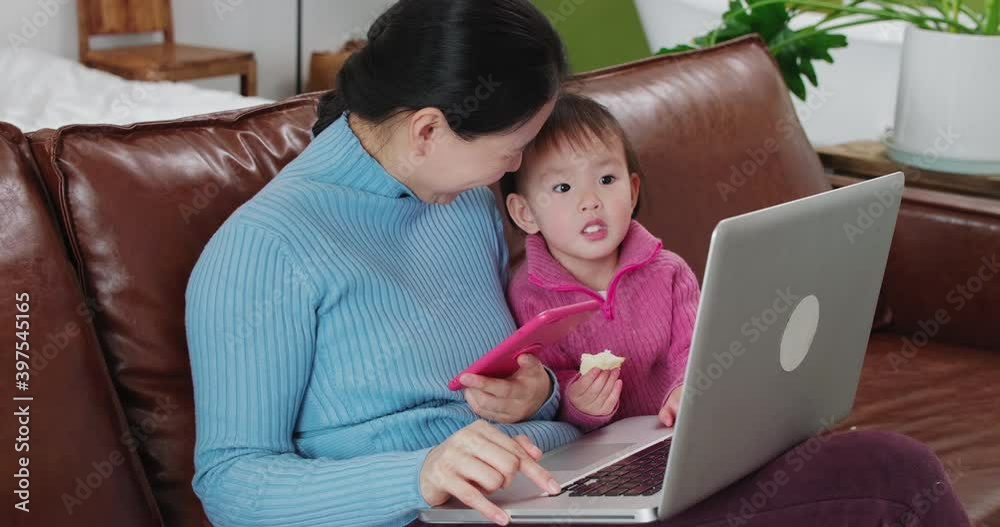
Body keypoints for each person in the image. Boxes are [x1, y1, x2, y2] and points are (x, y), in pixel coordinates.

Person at [184, 1, 971, 526]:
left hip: (568, 481)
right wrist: (419, 473)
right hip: (444, 512)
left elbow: (527, 356)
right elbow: (230, 480)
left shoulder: (459, 201)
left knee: (888, 468)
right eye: (512, 150)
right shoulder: (263, 251)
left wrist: (544, 387)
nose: (514, 173)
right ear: (427, 130)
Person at [499, 92, 697, 432]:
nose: (590, 201)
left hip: (680, 432)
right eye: (562, 187)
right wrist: (578, 402)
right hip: (601, 455)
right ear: (526, 213)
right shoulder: (528, 296)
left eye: (606, 180)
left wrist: (686, 390)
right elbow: (543, 382)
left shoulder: (669, 272)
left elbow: (694, 349)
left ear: (632, 192)